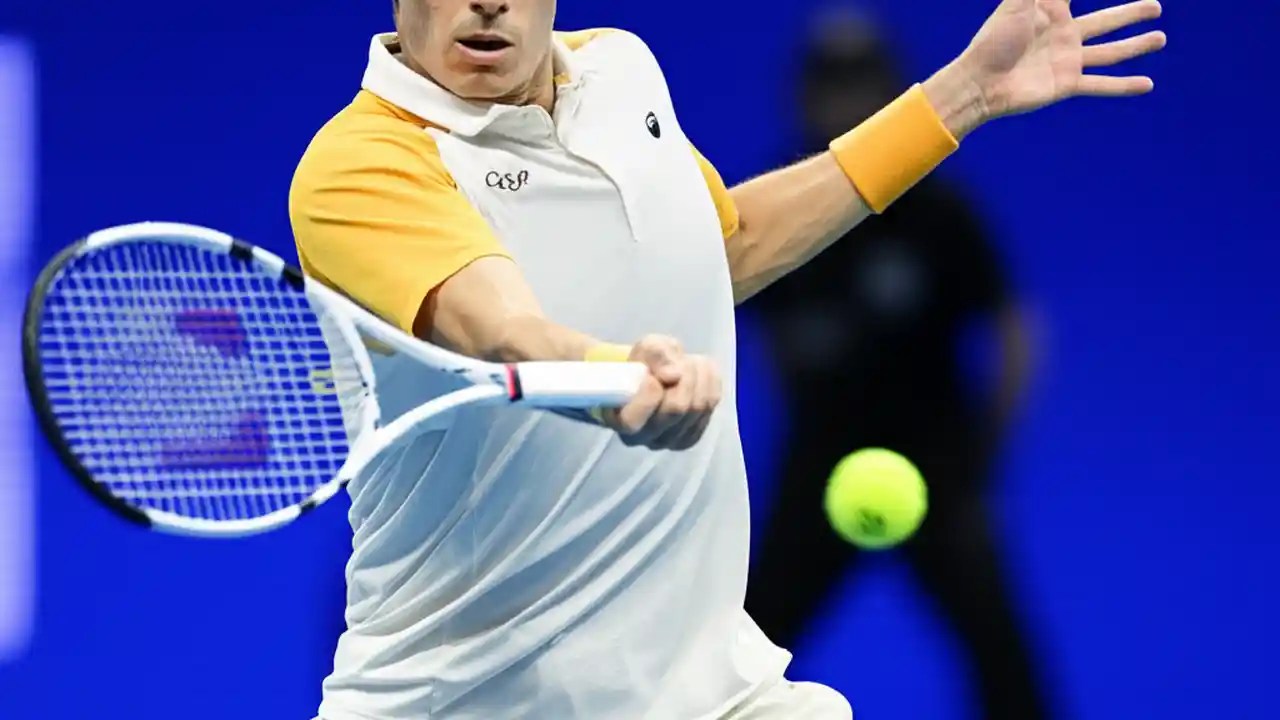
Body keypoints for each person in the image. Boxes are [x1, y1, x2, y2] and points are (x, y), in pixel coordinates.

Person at [288, 1, 1164, 718]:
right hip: (471, 702)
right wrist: (609, 378)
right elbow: (498, 325)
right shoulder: (360, 164)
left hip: (709, 693)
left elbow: (728, 250)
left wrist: (962, 96)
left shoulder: (622, 72)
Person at [744, 8, 1051, 719]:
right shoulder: (781, 207)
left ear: (890, 92)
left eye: (863, 83)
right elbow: (751, 324)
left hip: (937, 468)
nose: (847, 100)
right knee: (747, 650)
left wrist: (979, 459)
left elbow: (1016, 333)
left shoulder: (943, 213)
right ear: (804, 96)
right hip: (818, 466)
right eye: (832, 84)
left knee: (1007, 668)